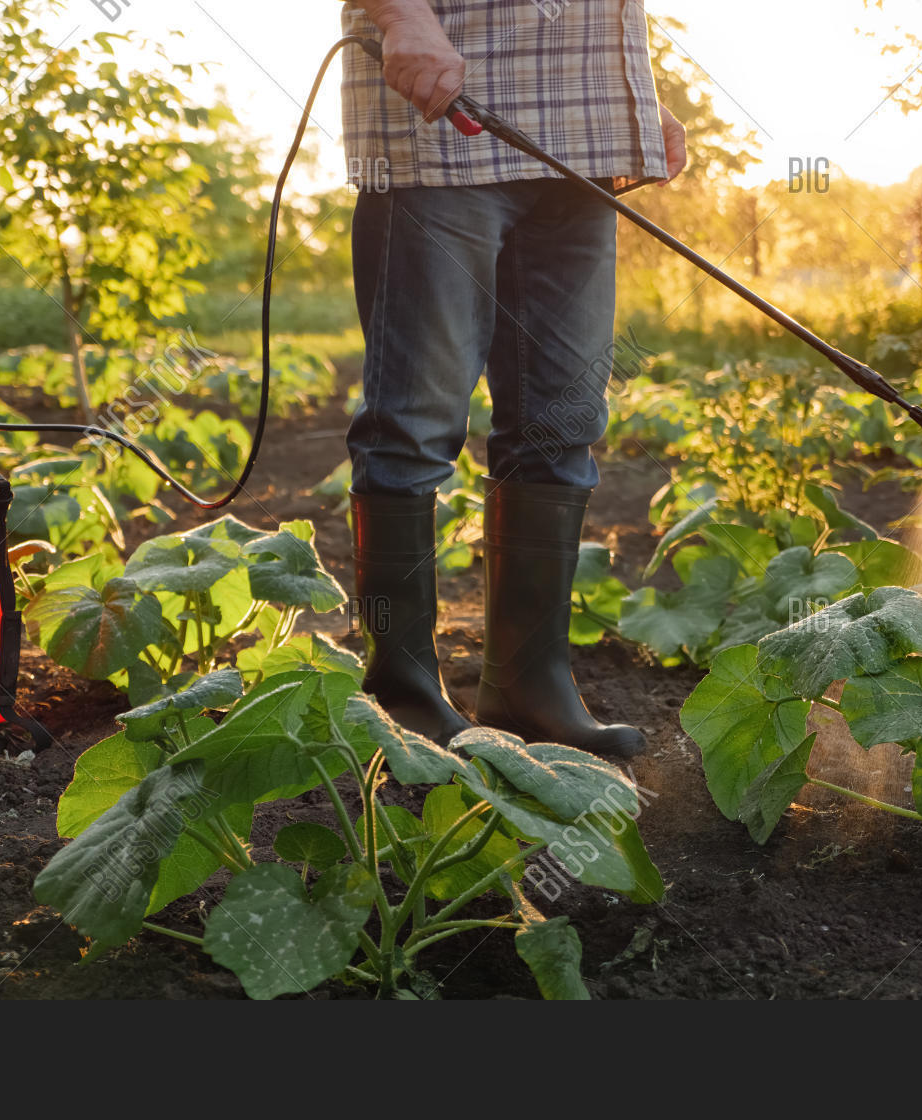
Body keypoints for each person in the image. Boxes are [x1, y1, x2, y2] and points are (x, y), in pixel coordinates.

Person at [340, 0, 688, 758]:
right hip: (443, 126)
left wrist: (631, 94)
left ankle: (530, 687)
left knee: (561, 425)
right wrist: (404, 17)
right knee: (415, 424)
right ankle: (401, 699)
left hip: (580, 143)